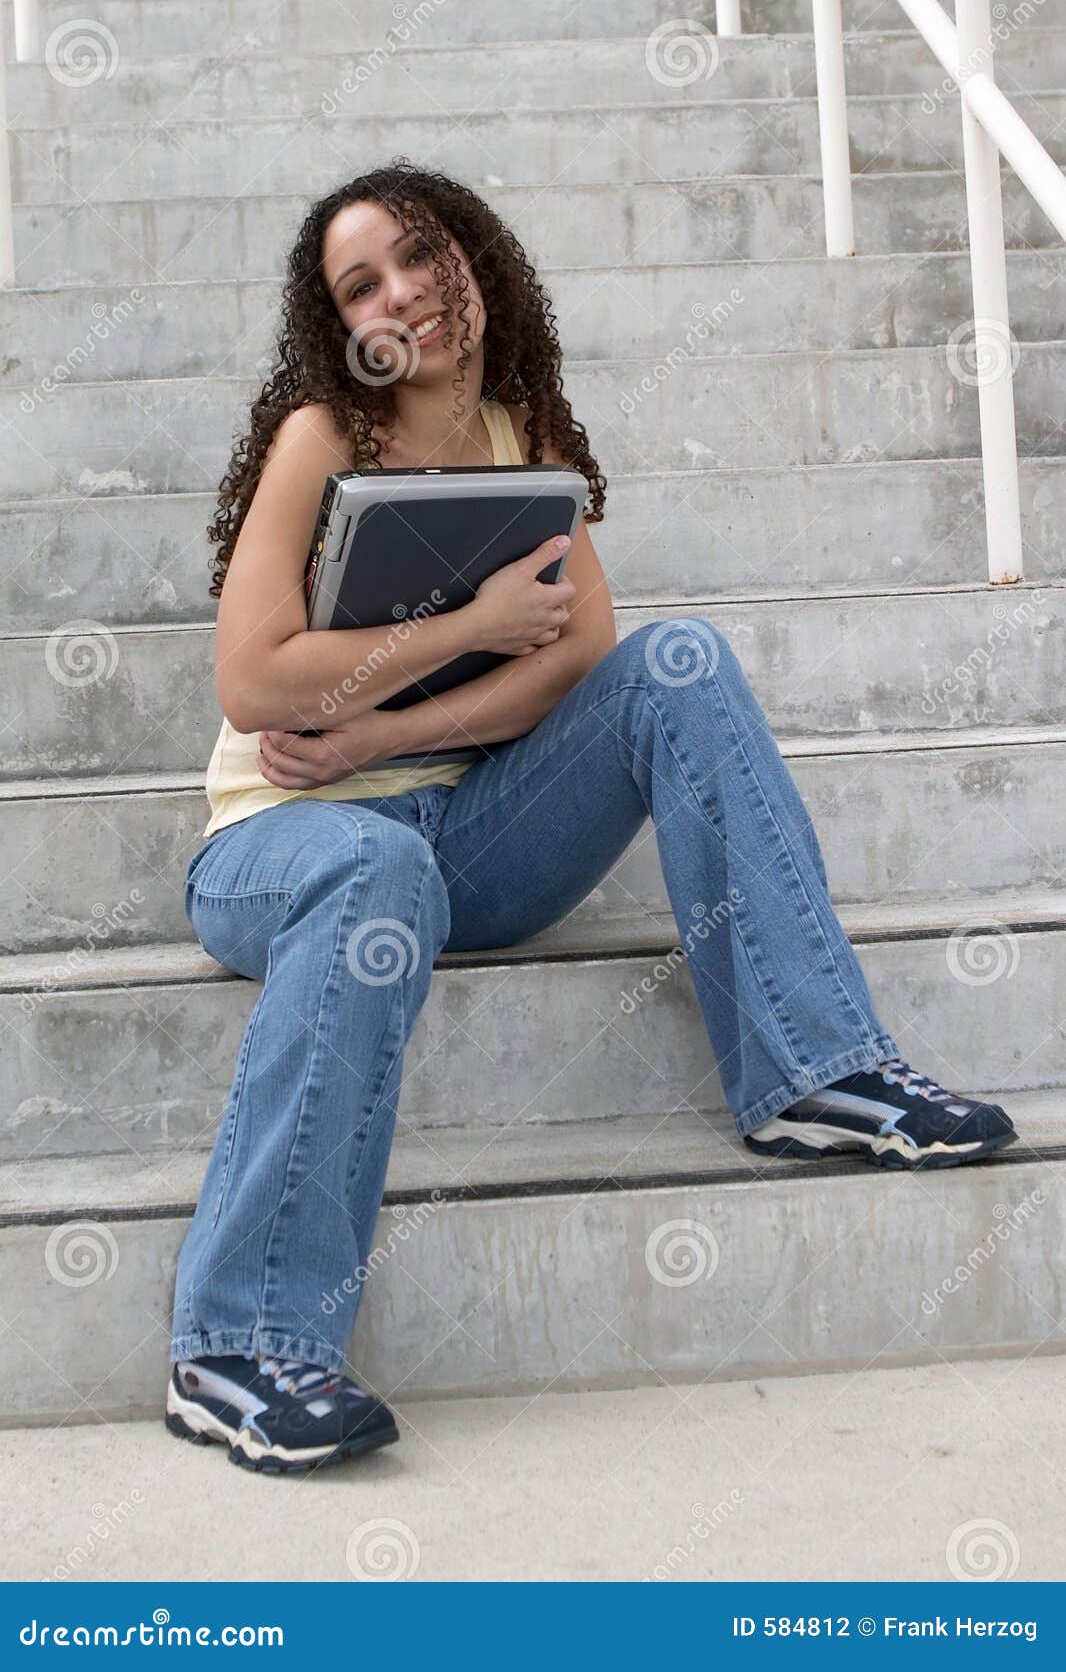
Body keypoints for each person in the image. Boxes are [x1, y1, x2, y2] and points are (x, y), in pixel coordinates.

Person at [165, 159, 1016, 1475]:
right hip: (286, 842)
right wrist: (468, 630)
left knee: (675, 667)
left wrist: (390, 727)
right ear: (342, 324)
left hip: (464, 840)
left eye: (414, 254)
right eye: (359, 282)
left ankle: (813, 1067)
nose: (399, 290)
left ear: (472, 259)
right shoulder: (322, 439)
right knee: (375, 857)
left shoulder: (524, 433)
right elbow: (252, 679)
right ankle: (238, 1345)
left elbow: (581, 659)